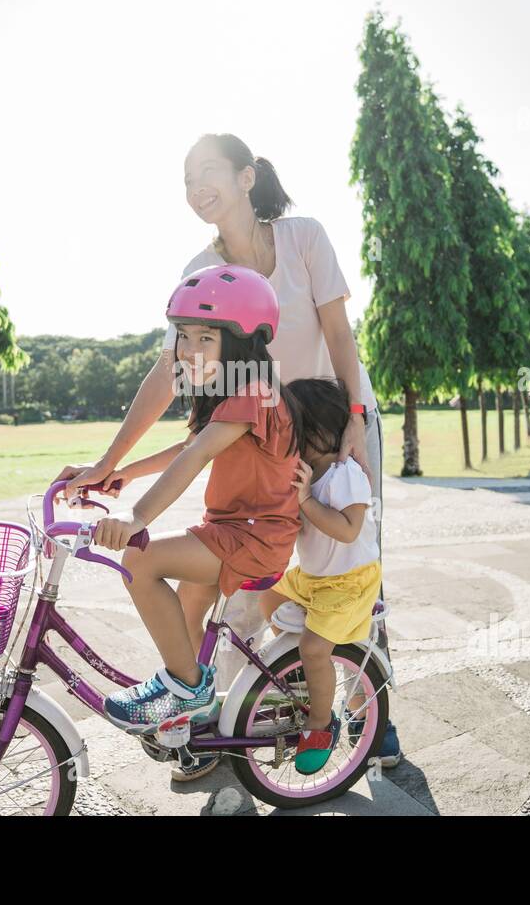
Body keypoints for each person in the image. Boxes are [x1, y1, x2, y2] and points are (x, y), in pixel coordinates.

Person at [54, 132, 401, 776]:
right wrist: (110, 465)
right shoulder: (202, 271)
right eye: (186, 178)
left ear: (247, 177)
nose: (195, 187)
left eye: (207, 171)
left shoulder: (302, 237)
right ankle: (206, 719)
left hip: (336, 417)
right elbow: (173, 373)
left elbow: (337, 331)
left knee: (349, 565)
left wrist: (353, 421)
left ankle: (366, 706)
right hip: (267, 432)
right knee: (228, 593)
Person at [91, 266, 303, 732]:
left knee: (139, 560)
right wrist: (124, 473)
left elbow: (197, 455)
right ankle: (188, 718)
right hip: (228, 531)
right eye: (183, 335)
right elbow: (190, 445)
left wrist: (136, 516)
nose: (187, 349)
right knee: (184, 632)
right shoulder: (228, 390)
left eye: (205, 338)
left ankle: (187, 692)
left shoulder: (255, 392)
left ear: (244, 341)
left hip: (252, 539)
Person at [252, 377, 381, 774]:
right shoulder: (306, 471)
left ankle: (322, 723)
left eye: (295, 430)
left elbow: (347, 529)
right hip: (312, 576)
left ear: (321, 433)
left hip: (348, 583)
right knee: (267, 592)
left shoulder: (346, 474)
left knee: (313, 649)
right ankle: (307, 675)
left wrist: (305, 499)